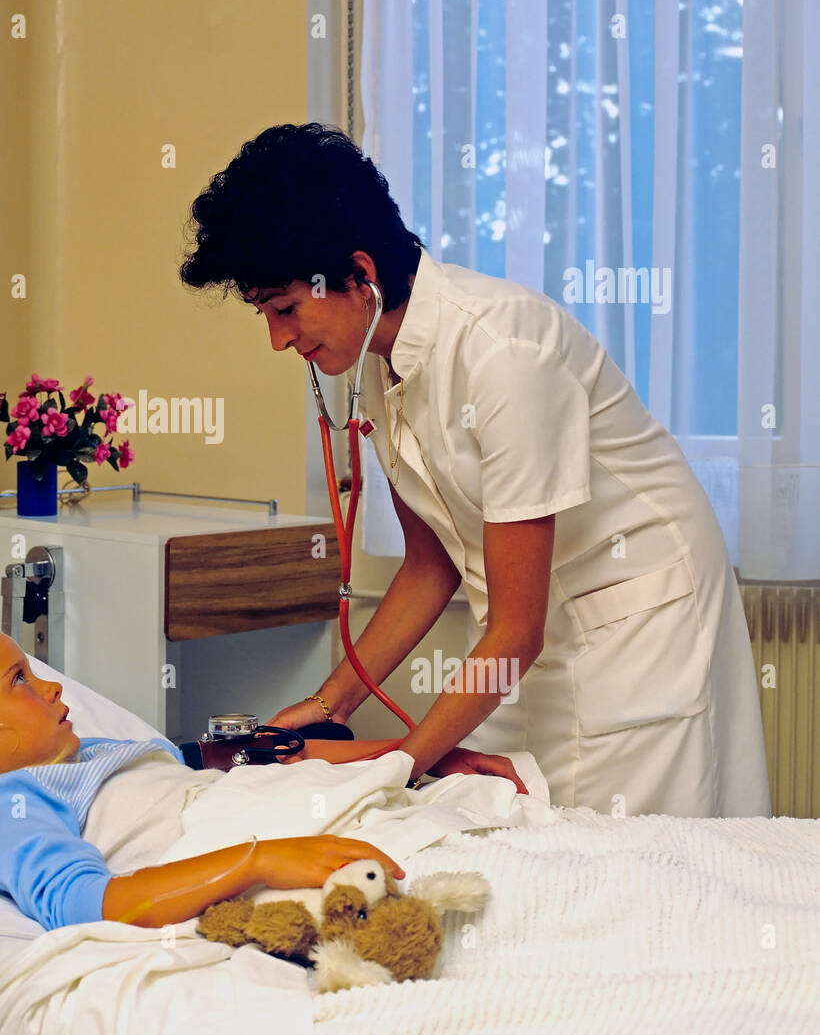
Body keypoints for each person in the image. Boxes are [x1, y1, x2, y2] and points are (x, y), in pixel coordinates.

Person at [178, 122, 772, 819]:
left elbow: (518, 632)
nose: (279, 340)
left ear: (360, 275)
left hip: (636, 621)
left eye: (284, 309)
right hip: (522, 634)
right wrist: (328, 703)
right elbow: (431, 567)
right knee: (505, 819)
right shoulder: (382, 359)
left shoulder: (505, 353)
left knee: (623, 852)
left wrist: (397, 767)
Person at [0, 609, 408, 933]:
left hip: (298, 809)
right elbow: (88, 902)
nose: (51, 685)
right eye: (18, 680)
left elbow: (250, 759)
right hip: (257, 845)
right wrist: (259, 857)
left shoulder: (96, 754)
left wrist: (415, 756)